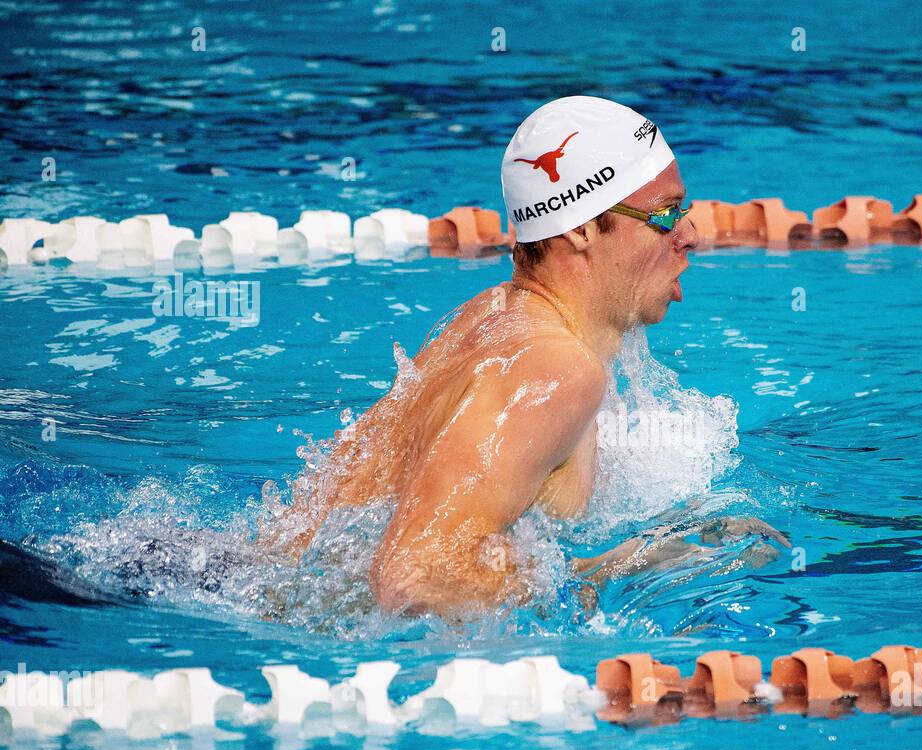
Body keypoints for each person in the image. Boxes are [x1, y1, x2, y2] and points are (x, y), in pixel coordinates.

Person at [264, 96, 786, 618]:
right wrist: (596, 592)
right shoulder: (555, 370)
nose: (690, 235)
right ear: (580, 228)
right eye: (666, 214)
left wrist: (632, 561)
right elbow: (413, 577)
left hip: (259, 586)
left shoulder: (494, 315)